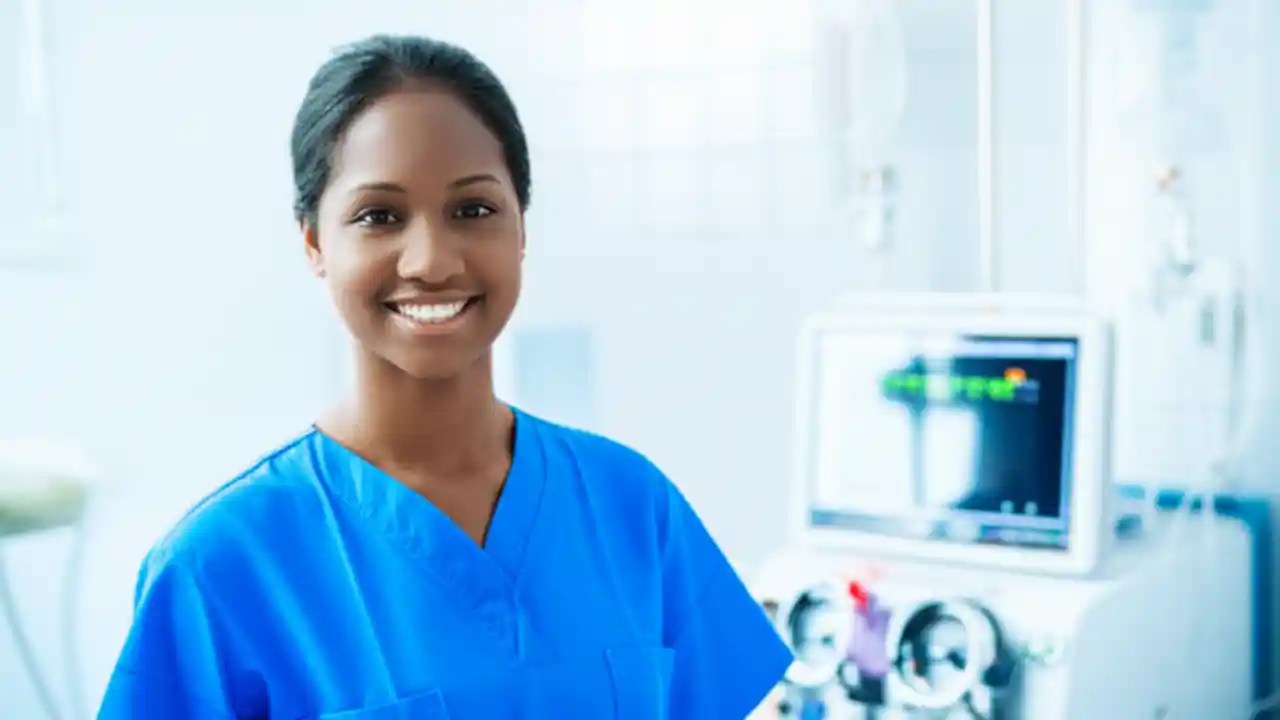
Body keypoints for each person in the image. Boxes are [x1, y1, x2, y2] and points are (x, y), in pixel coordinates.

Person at [98, 34, 792, 719]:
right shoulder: (221, 565)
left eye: (473, 210)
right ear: (314, 242)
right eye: (379, 216)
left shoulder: (631, 505)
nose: (430, 259)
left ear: (521, 227)